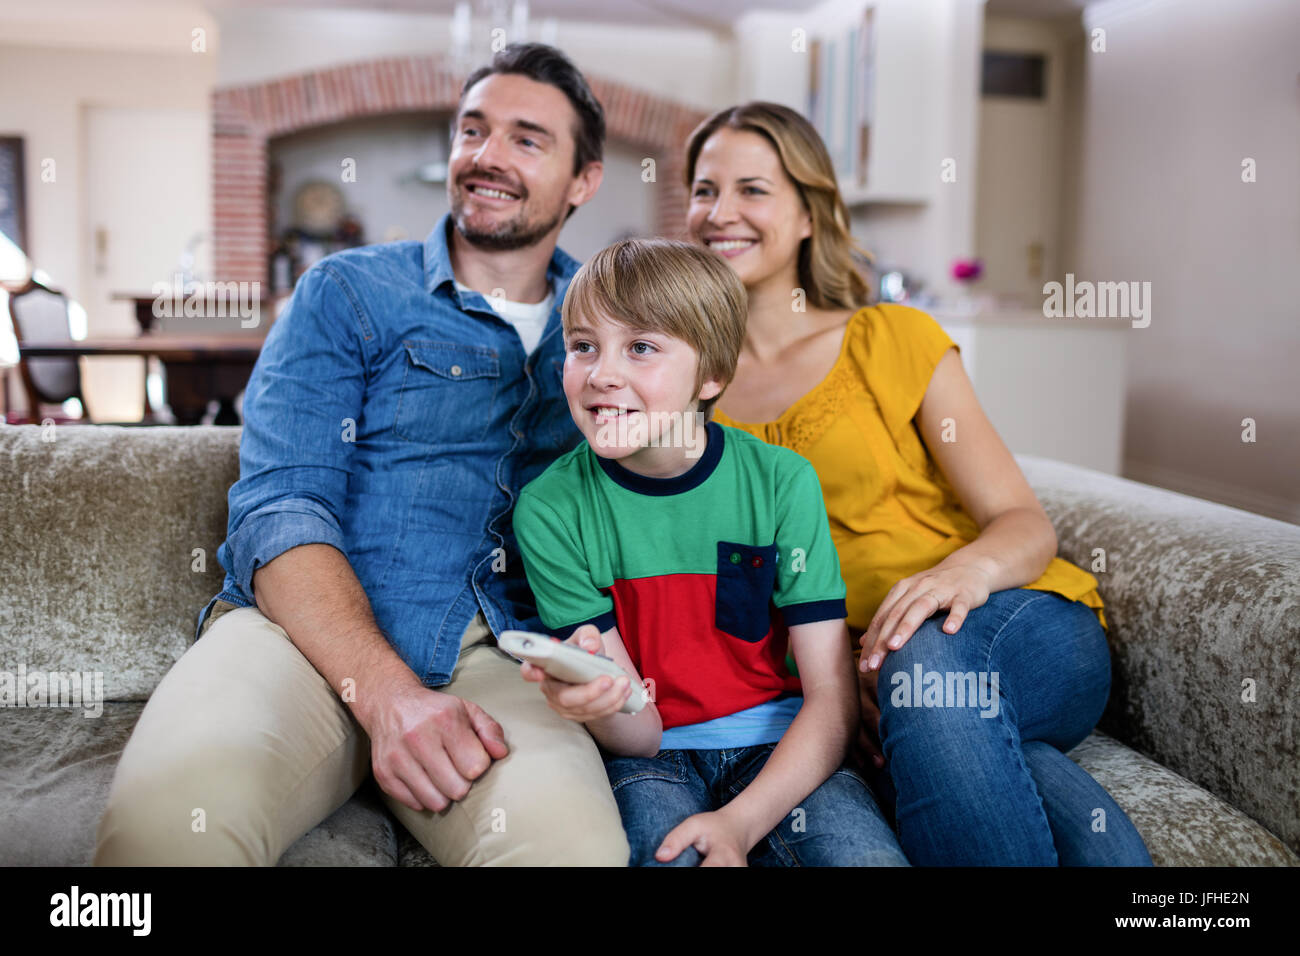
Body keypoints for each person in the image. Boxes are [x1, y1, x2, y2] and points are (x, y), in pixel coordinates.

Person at [93, 43, 632, 866]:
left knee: (574, 854)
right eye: (472, 131)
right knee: (167, 827)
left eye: (527, 140)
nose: (486, 157)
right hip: (300, 636)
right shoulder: (347, 291)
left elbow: (679, 483)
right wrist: (387, 699)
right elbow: (280, 508)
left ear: (584, 181)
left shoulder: (616, 333)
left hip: (505, 656)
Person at [684, 101, 1153, 866]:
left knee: (925, 664)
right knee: (970, 739)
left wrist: (952, 579)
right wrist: (836, 679)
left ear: (809, 213)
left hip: (1016, 626)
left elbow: (1022, 522)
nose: (720, 212)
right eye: (704, 190)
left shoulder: (891, 338)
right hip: (872, 679)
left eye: (752, 190)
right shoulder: (681, 387)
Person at [511, 238, 909, 867]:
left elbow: (832, 704)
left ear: (712, 375)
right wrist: (601, 698)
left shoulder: (782, 482)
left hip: (785, 752)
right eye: (583, 345)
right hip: (654, 762)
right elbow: (639, 738)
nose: (601, 372)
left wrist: (740, 824)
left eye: (640, 347)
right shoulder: (550, 509)